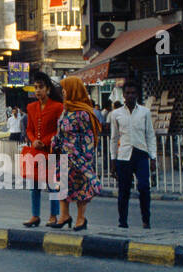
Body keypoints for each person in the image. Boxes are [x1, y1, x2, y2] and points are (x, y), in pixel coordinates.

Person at [52, 76, 102, 231]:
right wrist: (55, 144)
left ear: (74, 90)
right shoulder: (65, 109)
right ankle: (64, 216)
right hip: (63, 157)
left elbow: (89, 138)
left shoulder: (83, 113)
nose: (63, 93)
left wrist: (85, 159)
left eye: (66, 89)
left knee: (81, 187)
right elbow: (60, 132)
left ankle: (81, 218)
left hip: (78, 158)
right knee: (61, 186)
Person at [108, 79, 156, 229]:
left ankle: (146, 220)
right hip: (124, 156)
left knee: (143, 187)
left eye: (133, 93)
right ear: (123, 95)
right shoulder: (116, 114)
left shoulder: (145, 112)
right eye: (127, 93)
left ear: (137, 95)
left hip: (141, 154)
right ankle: (123, 222)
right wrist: (113, 159)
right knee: (124, 190)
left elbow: (150, 135)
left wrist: (153, 157)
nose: (130, 96)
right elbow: (114, 138)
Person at [21, 71, 64, 228]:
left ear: (48, 89)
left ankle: (53, 215)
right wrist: (33, 141)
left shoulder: (58, 107)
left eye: (41, 87)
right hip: (36, 151)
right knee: (34, 185)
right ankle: (35, 215)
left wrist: (45, 141)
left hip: (52, 151)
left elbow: (59, 130)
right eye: (35, 87)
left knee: (53, 185)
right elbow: (29, 129)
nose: (37, 91)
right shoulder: (31, 107)